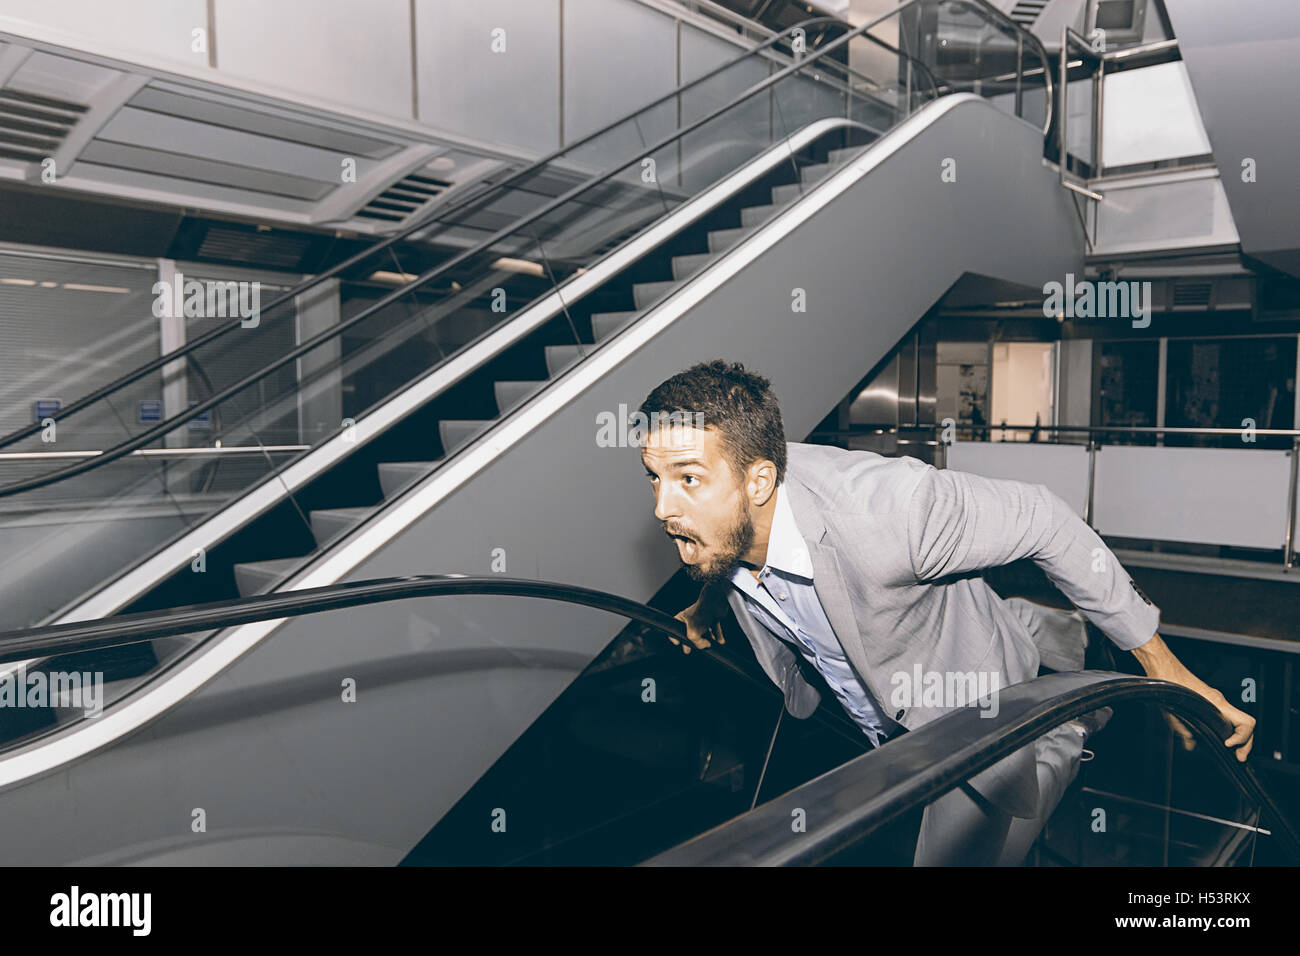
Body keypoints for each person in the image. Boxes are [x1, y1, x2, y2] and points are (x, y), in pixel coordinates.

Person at [636, 360, 1255, 865]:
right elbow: (730, 552)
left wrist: (1161, 664)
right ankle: (1025, 627)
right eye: (653, 478)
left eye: (687, 480)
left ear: (760, 481)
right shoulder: (731, 511)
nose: (663, 507)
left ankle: (1065, 728)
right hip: (878, 706)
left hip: (963, 707)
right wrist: (706, 601)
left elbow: (1046, 520)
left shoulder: (888, 512)